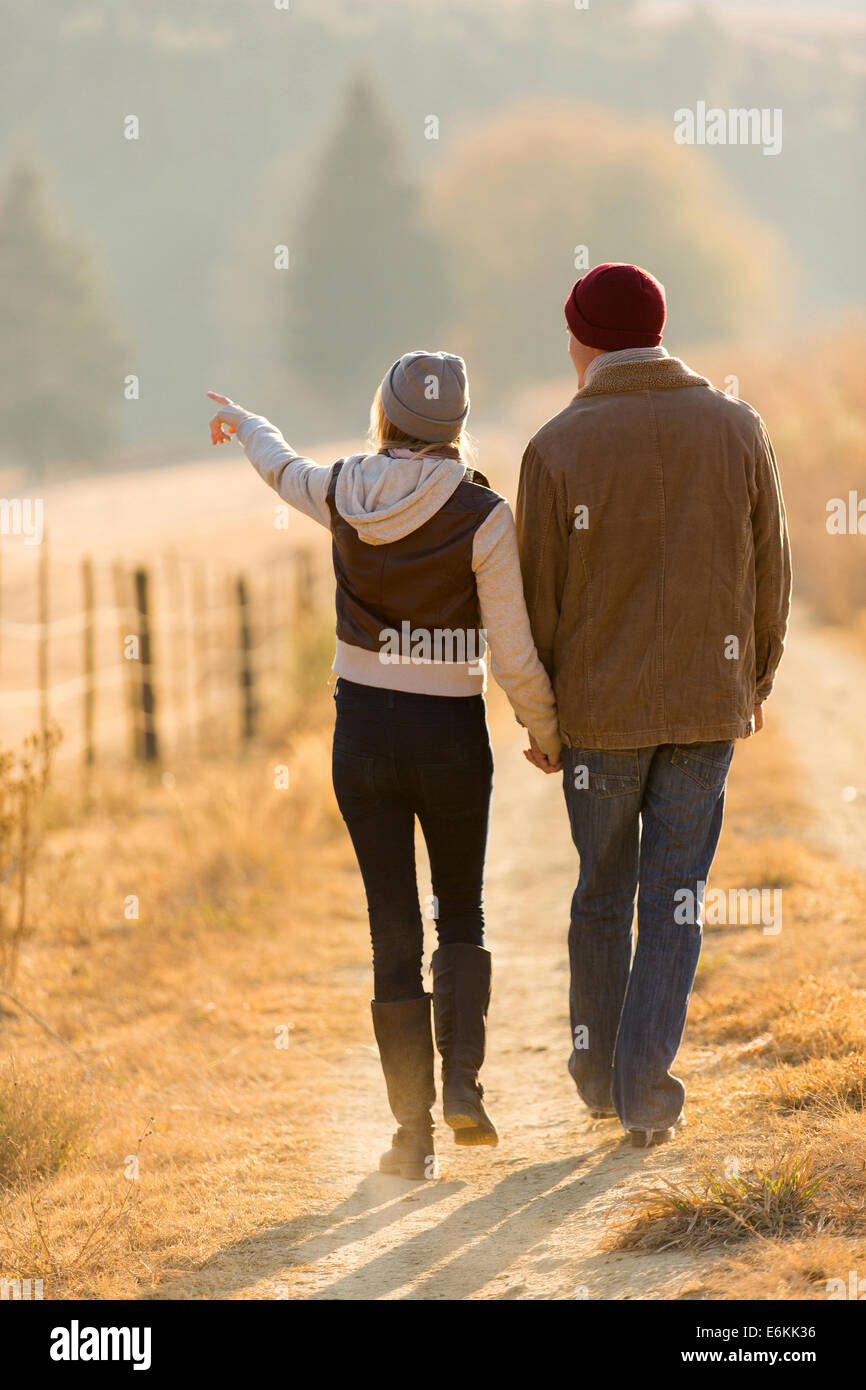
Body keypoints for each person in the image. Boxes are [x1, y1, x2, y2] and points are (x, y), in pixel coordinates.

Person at [208, 350, 561, 1179]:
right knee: (462, 915)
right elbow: (511, 653)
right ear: (456, 426)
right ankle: (464, 1090)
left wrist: (246, 423)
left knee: (391, 930)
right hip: (449, 735)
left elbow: (279, 468)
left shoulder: (341, 490)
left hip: (361, 733)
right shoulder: (485, 513)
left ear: (387, 415)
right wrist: (545, 730)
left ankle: (412, 1138)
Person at [516, 263, 792, 1147]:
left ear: (582, 339)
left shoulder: (556, 447)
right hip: (708, 707)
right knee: (674, 896)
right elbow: (771, 572)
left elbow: (536, 603)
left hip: (599, 718)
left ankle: (598, 1076)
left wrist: (544, 721)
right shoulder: (737, 426)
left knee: (602, 891)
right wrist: (752, 681)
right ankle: (645, 1092)